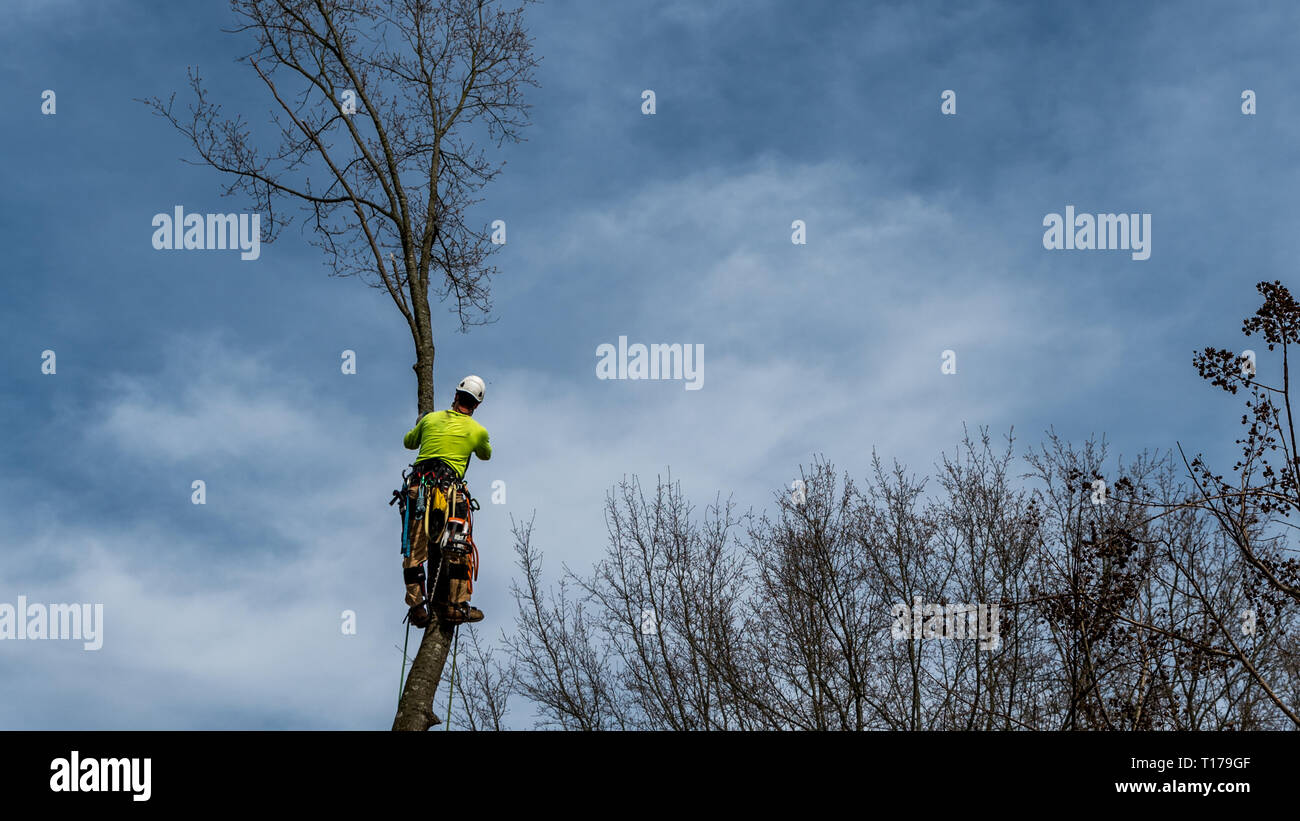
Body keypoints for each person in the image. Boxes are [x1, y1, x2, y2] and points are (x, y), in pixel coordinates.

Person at [400, 375, 491, 627]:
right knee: (458, 548)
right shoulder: (477, 431)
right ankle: (455, 605)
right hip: (449, 495)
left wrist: (421, 423)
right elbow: (485, 455)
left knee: (414, 549)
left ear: (455, 395)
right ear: (477, 405)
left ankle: (418, 607)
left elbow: (409, 442)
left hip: (419, 490)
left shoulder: (430, 420)